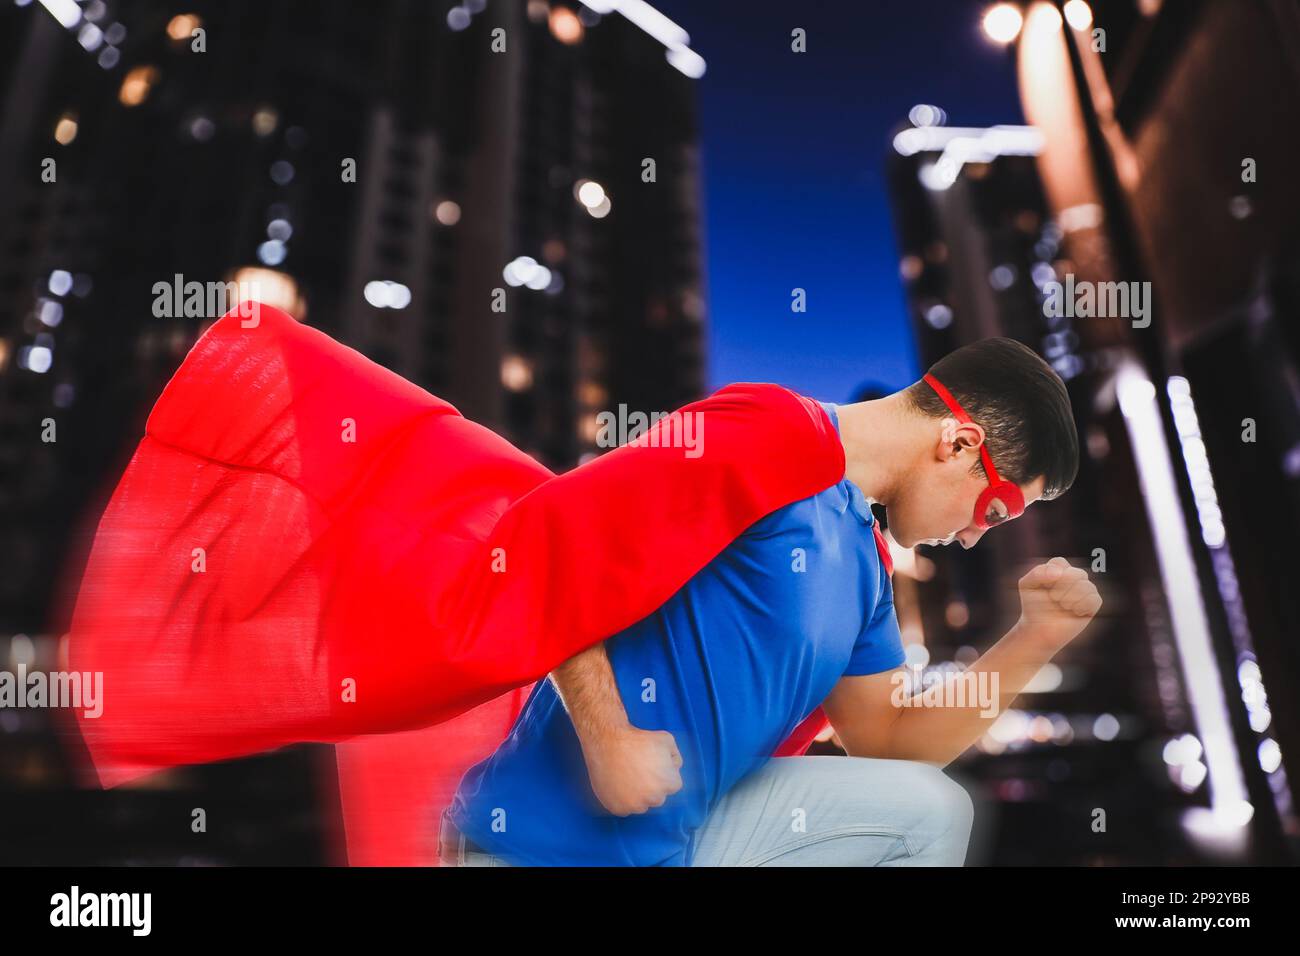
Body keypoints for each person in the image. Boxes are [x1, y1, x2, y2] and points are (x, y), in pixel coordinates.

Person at [442, 338, 1102, 866]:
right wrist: (606, 733)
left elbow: (891, 744)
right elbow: (555, 535)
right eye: (996, 508)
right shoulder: (775, 432)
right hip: (530, 848)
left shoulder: (868, 570)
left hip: (681, 846)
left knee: (931, 811)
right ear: (959, 443)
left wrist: (1034, 639)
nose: (972, 535)